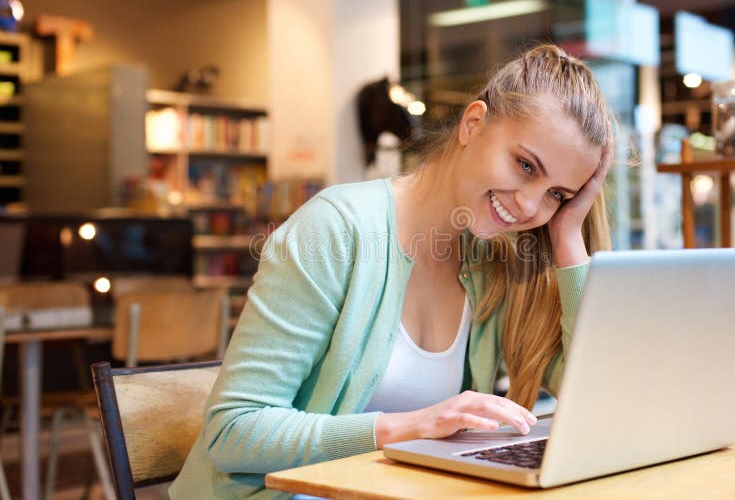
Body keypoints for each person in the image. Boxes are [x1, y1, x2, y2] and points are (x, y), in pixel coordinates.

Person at [170, 44, 614, 499]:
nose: (529, 204)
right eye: (524, 165)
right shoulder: (335, 230)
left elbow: (593, 394)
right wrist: (412, 426)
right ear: (473, 123)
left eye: (557, 193)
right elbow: (233, 432)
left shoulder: (491, 261)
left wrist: (567, 237)